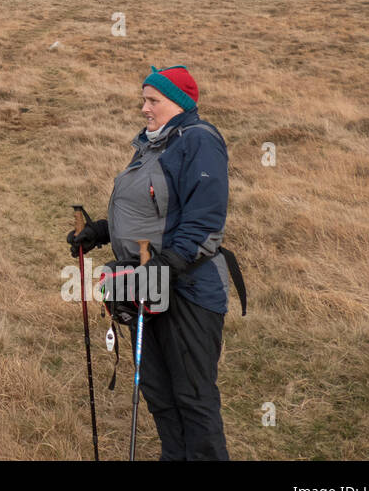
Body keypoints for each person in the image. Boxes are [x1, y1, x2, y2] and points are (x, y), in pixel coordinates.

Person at [67, 64, 245, 461]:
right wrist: (100, 231)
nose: (144, 108)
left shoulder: (198, 141)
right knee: (159, 393)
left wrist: (165, 266)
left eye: (153, 101)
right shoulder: (152, 146)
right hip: (146, 286)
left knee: (193, 397)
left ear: (179, 103)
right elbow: (151, 212)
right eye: (143, 100)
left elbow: (204, 220)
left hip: (188, 289)